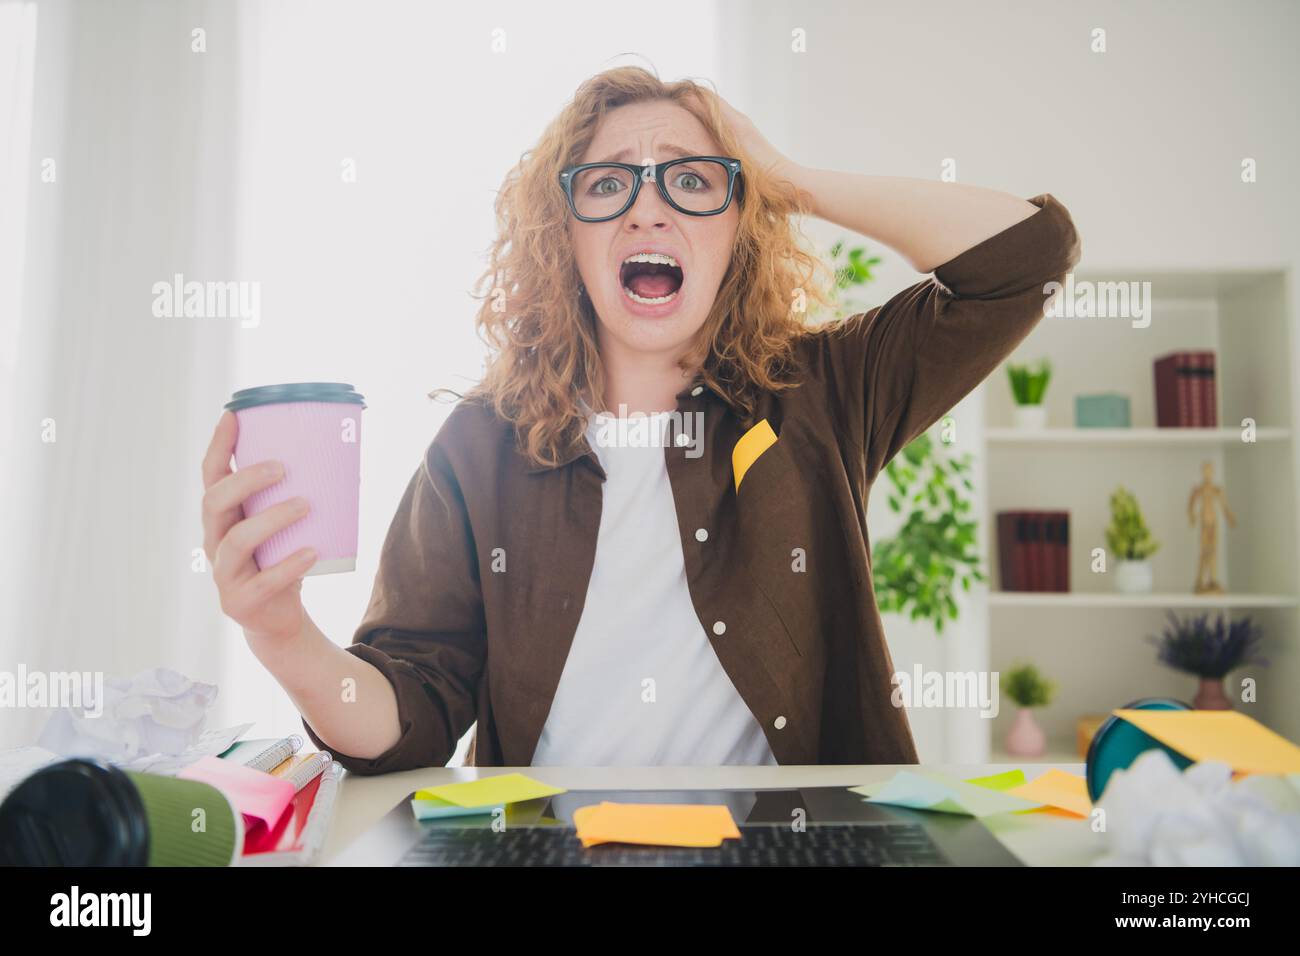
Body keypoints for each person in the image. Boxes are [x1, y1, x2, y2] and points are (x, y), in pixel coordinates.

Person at [200, 66, 1081, 772]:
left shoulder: (821, 391)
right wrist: (283, 637)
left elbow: (1027, 260)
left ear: (741, 224)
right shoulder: (480, 446)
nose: (648, 207)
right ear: (565, 232)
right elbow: (412, 715)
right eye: (611, 183)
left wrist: (793, 180)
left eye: (694, 181)